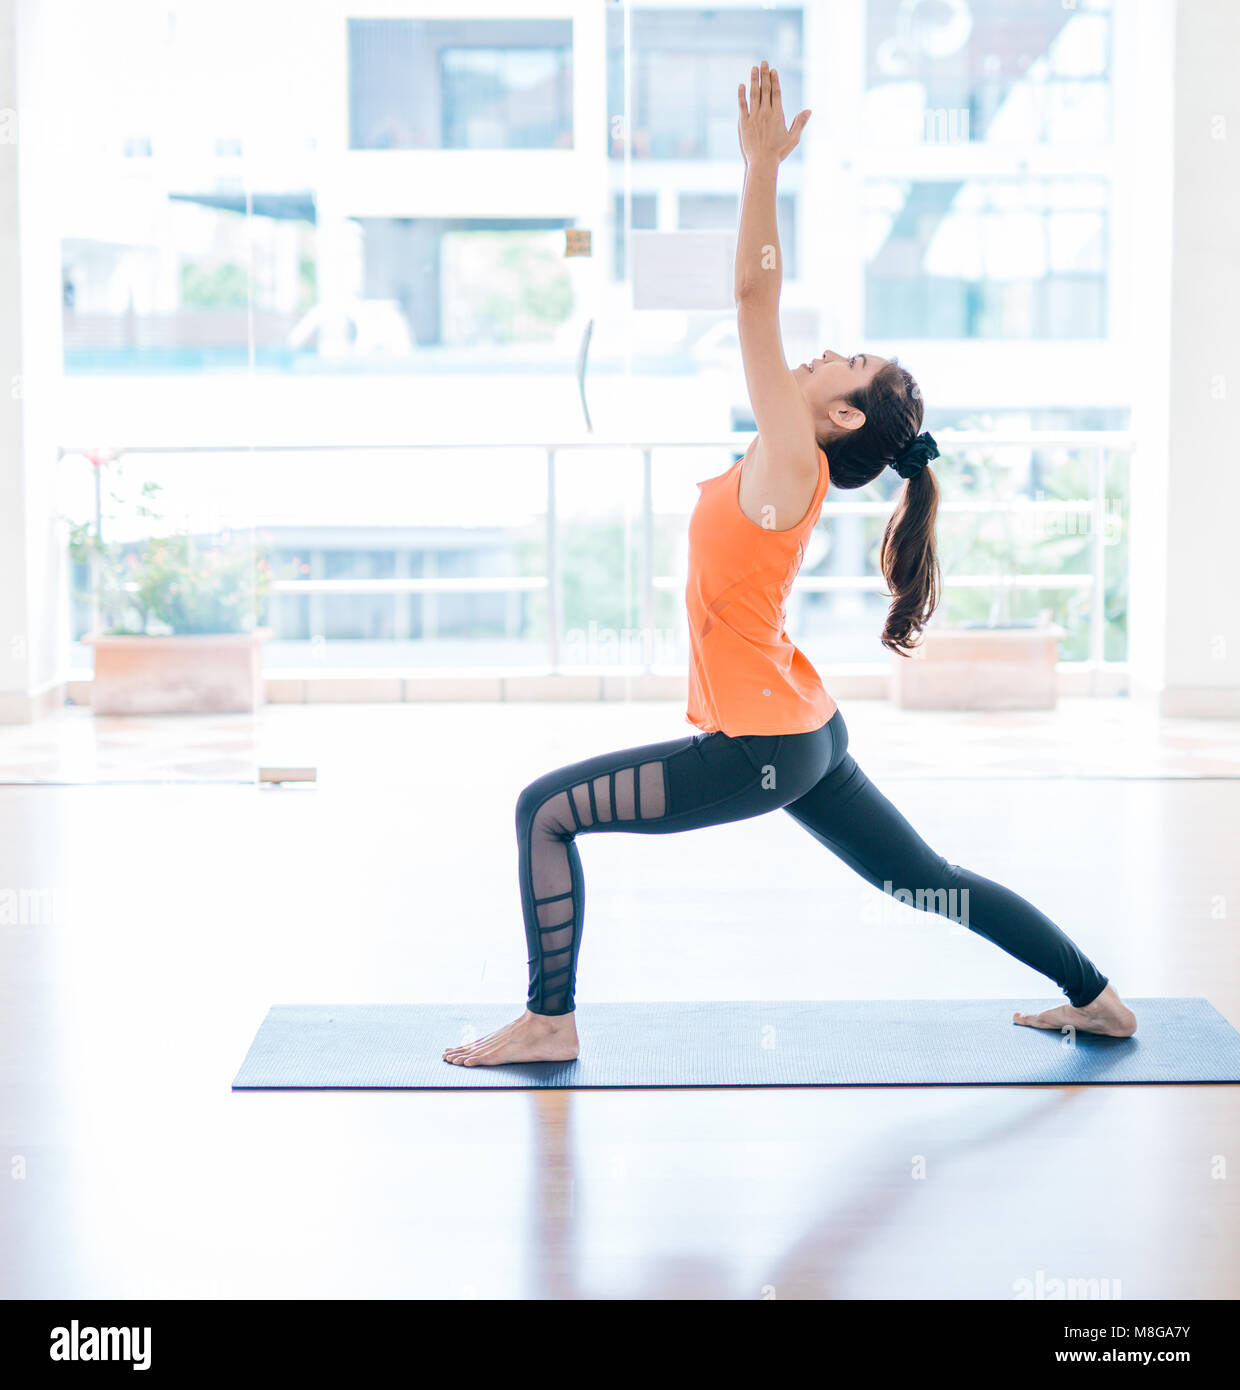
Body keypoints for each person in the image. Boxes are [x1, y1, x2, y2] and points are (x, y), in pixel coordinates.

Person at [443, 60, 1135, 1068]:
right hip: (804, 731)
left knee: (543, 813)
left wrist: (759, 167)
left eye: (841, 362)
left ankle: (549, 1018)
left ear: (843, 415)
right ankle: (1098, 997)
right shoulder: (789, 465)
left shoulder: (789, 455)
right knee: (927, 878)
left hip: (761, 745)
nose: (819, 358)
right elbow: (761, 318)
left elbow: (749, 296)